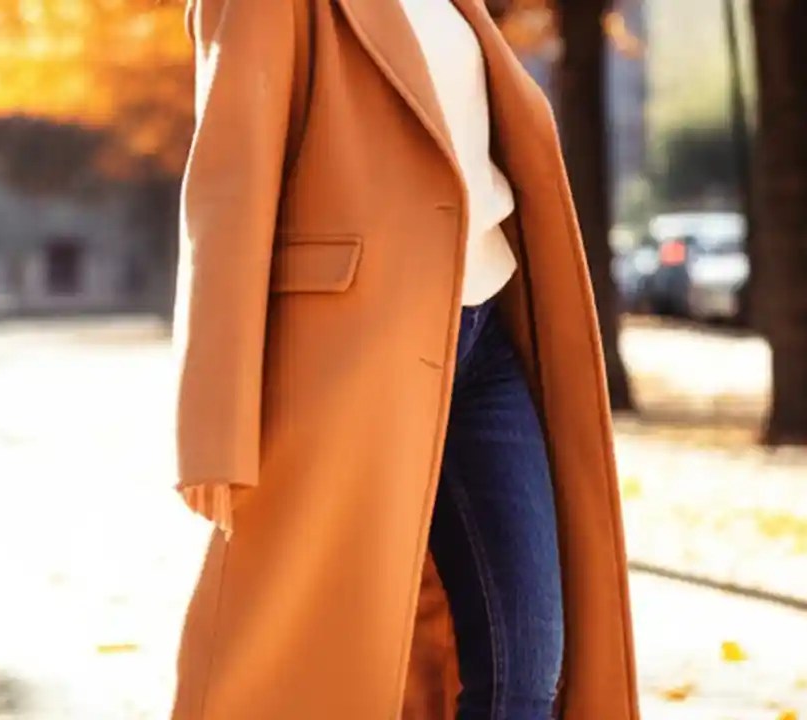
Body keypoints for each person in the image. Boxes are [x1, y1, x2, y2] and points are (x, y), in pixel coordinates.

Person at [170, 0, 638, 717]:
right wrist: (213, 425)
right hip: (355, 356)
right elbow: (228, 186)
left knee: (528, 663)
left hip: (488, 338)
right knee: (323, 667)